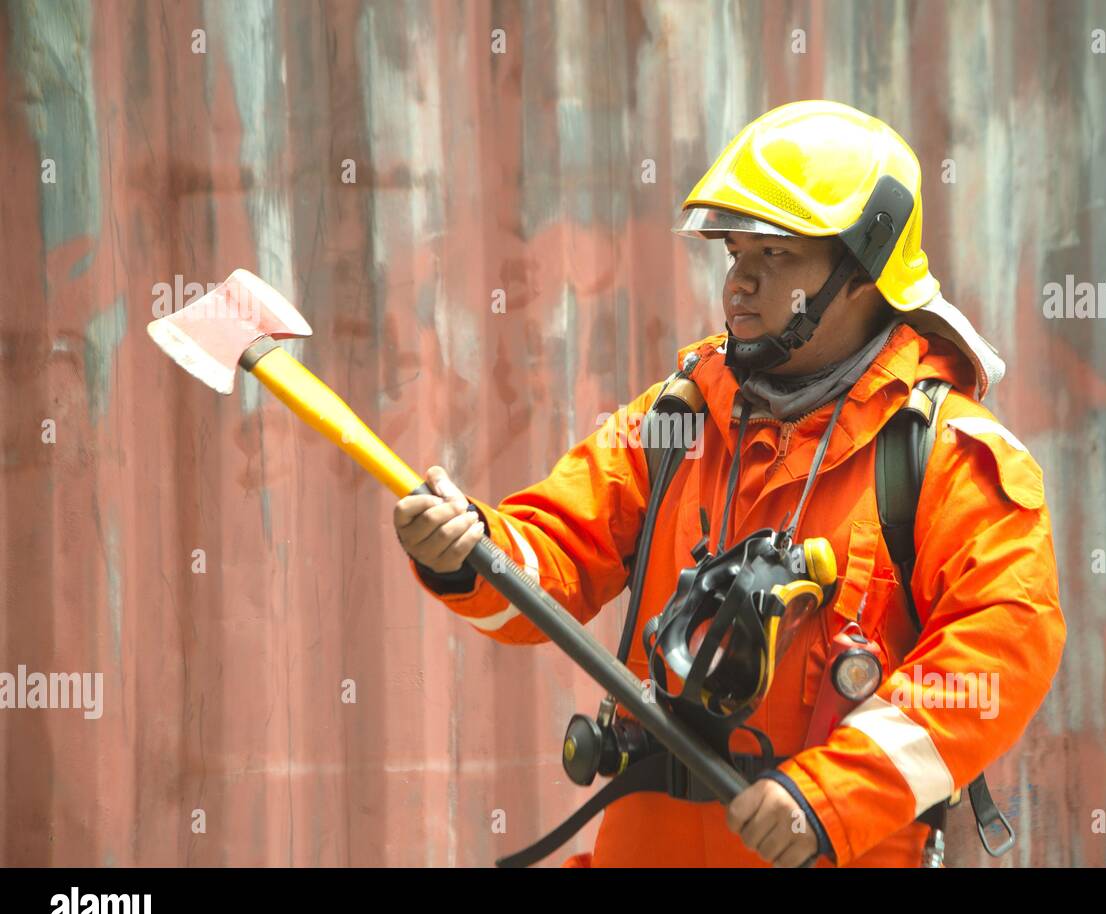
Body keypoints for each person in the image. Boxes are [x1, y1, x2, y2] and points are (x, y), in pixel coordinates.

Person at [394, 100, 1066, 867]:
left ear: (863, 270)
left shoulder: (946, 456)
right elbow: (553, 549)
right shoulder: (680, 419)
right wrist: (466, 548)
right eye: (734, 252)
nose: (739, 284)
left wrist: (831, 795)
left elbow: (998, 656)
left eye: (776, 257)